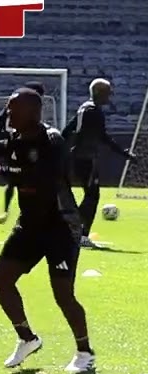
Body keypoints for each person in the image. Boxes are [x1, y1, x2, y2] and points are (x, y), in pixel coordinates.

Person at [0, 87, 94, 374]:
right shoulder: (17, 138)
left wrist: (4, 172)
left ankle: (84, 352)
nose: (8, 113)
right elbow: (1, 149)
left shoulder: (52, 141)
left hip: (60, 226)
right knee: (1, 280)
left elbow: (43, 177)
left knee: (63, 294)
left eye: (13, 108)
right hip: (29, 224)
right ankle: (27, 338)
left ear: (32, 112)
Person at [62, 78, 136, 248]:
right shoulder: (93, 111)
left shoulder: (84, 108)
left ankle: (75, 232)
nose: (109, 97)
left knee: (91, 196)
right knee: (92, 196)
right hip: (84, 158)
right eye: (107, 93)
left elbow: (68, 130)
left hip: (80, 158)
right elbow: (98, 136)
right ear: (99, 93)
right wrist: (123, 153)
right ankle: (79, 234)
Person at [0, 81, 47, 224]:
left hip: (25, 145)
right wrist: (9, 139)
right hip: (18, 145)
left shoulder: (26, 107)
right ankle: (11, 210)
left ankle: (20, 211)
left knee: (22, 178)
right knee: (17, 177)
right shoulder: (17, 107)